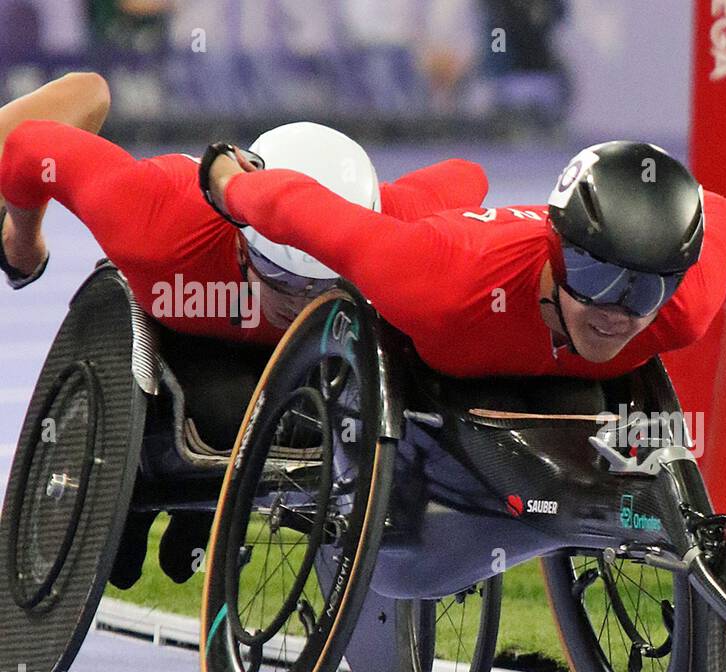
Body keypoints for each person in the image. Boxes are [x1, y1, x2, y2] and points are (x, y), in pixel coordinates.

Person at [0, 73, 492, 587]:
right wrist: (22, 242)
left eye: (323, 282)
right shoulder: (151, 217)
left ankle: (209, 506)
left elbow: (468, 176)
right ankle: (150, 495)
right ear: (242, 236)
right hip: (178, 333)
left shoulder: (395, 222)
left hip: (276, 373)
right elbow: (29, 148)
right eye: (282, 278)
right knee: (120, 567)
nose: (301, 302)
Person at [201, 138, 726, 379]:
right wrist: (225, 181)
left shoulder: (685, 301)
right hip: (457, 283)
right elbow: (302, 210)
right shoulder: (439, 276)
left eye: (645, 289)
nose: (619, 312)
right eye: (596, 278)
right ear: (556, 253)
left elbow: (718, 209)